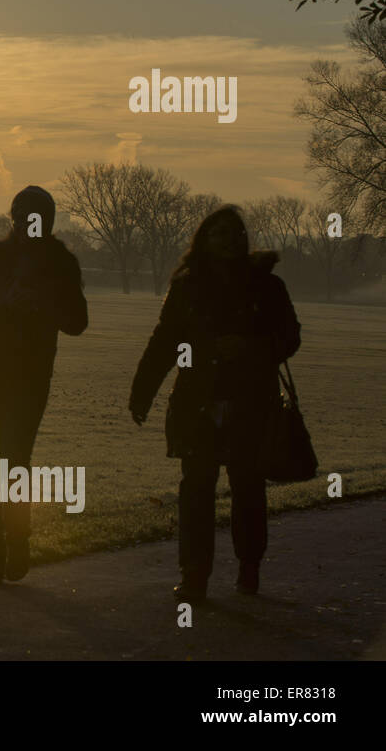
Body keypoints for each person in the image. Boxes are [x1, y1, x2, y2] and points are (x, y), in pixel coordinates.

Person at [128, 206, 300, 603]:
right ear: (204, 239)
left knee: (247, 486)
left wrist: (251, 347)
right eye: (219, 233)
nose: (227, 239)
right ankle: (195, 576)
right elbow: (164, 342)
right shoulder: (187, 286)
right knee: (197, 491)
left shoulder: (267, 287)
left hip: (250, 400)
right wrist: (142, 392)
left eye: (234, 233)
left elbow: (290, 338)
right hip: (197, 400)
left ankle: (249, 568)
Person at [0, 185, 88, 585]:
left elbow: (78, 322)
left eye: (35, 218)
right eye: (22, 217)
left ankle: (16, 543)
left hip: (28, 378)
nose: (28, 224)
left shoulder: (60, 264)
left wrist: (41, 303)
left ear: (48, 221)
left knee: (11, 462)